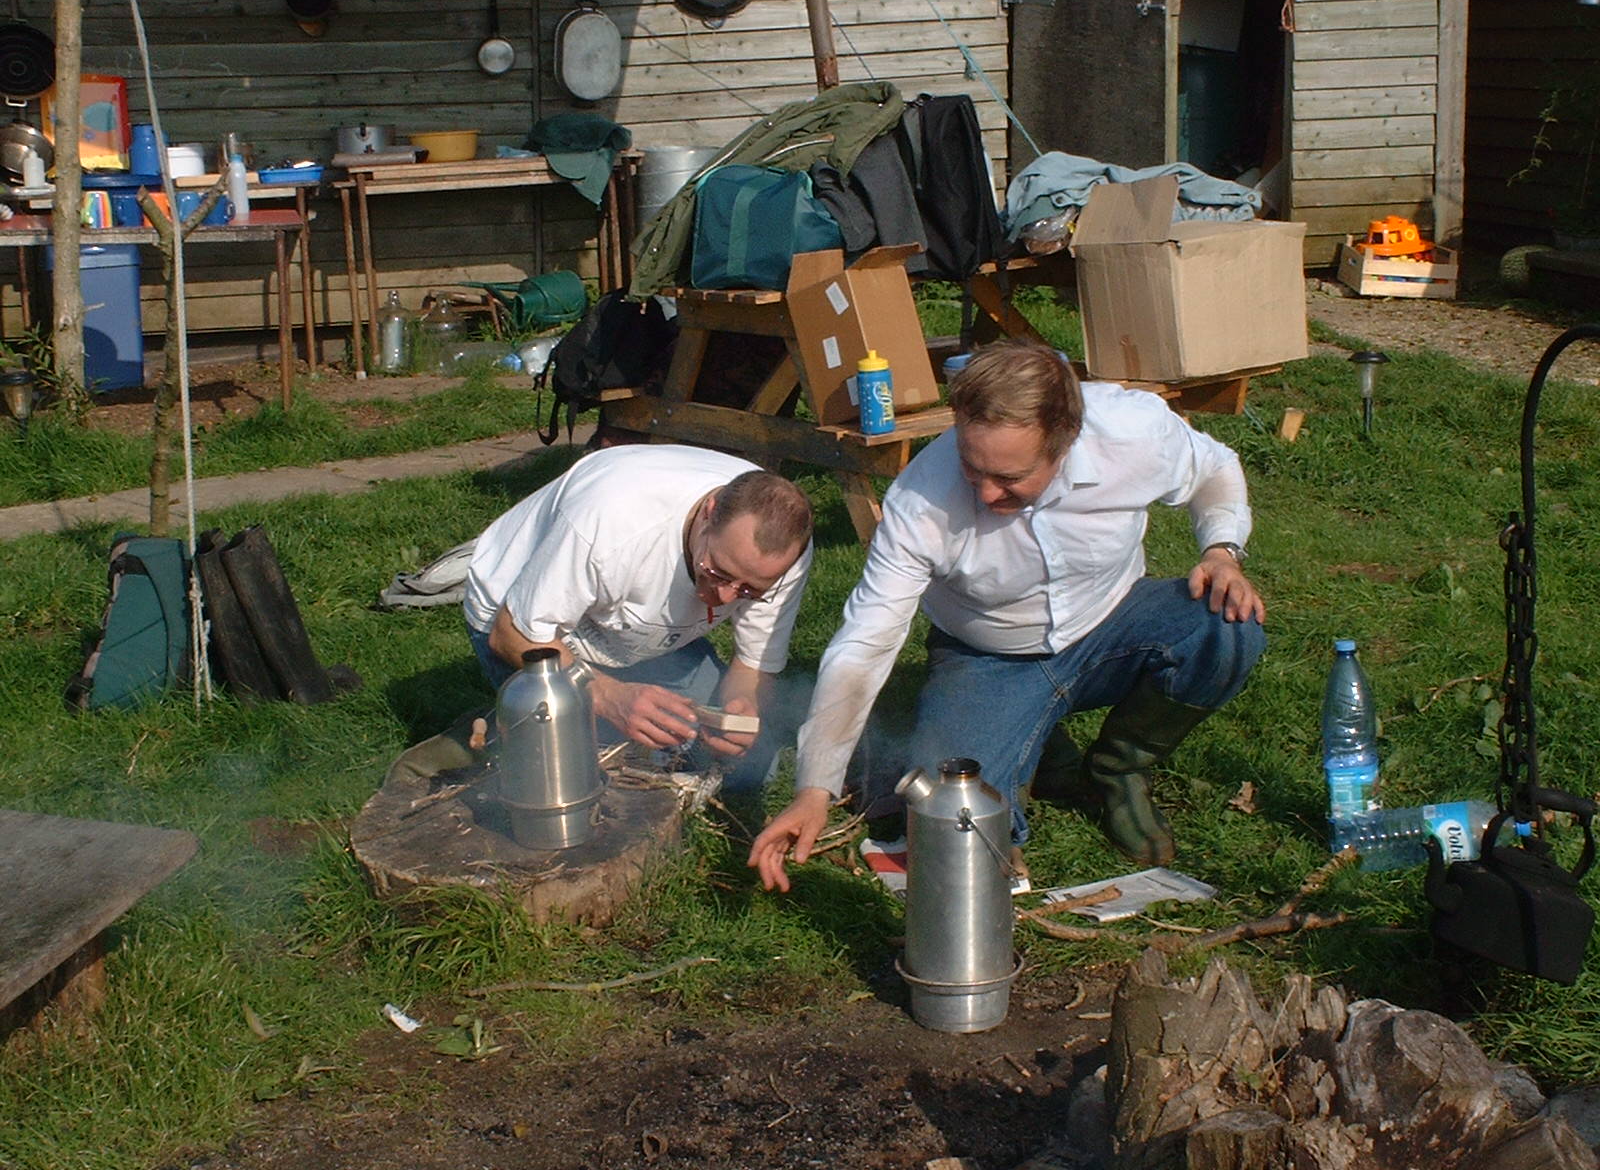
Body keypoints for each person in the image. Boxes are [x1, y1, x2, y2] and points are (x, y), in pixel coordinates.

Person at [750, 338, 1266, 890]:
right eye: (973, 469)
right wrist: (814, 789)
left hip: (1112, 622)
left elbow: (1216, 469)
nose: (987, 492)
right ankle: (1028, 739)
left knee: (1227, 624)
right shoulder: (920, 501)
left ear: (1065, 440)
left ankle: (1118, 768)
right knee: (957, 813)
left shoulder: (1134, 430)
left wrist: (1221, 551)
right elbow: (864, 643)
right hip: (988, 655)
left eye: (1011, 479)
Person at [463, 444, 814, 776]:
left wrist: (741, 707)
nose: (725, 598)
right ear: (710, 511)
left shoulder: (782, 553)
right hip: (528, 628)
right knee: (592, 774)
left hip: (641, 634)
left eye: (750, 590)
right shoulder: (612, 521)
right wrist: (608, 696)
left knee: (749, 770)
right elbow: (510, 634)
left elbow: (754, 664)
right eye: (718, 573)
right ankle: (501, 725)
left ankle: (532, 724)